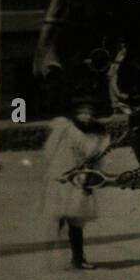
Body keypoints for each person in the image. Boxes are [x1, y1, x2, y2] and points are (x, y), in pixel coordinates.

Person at [41, 102, 111, 270]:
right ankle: (52, 258)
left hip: (81, 179)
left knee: (76, 220)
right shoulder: (65, 129)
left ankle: (78, 258)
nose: (86, 117)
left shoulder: (98, 134)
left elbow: (99, 159)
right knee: (59, 217)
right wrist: (57, 170)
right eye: (82, 113)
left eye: (89, 113)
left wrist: (93, 177)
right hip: (61, 177)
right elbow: (49, 150)